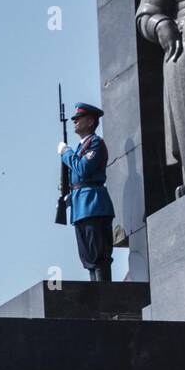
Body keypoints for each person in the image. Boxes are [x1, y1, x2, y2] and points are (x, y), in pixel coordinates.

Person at [57, 103, 116, 282]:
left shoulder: (95, 143)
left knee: (99, 256)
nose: (75, 121)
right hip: (79, 208)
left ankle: (106, 297)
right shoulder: (78, 149)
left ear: (90, 122)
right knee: (88, 259)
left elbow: (83, 169)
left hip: (93, 205)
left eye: (78, 119)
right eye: (74, 119)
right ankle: (97, 298)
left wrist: (65, 153)